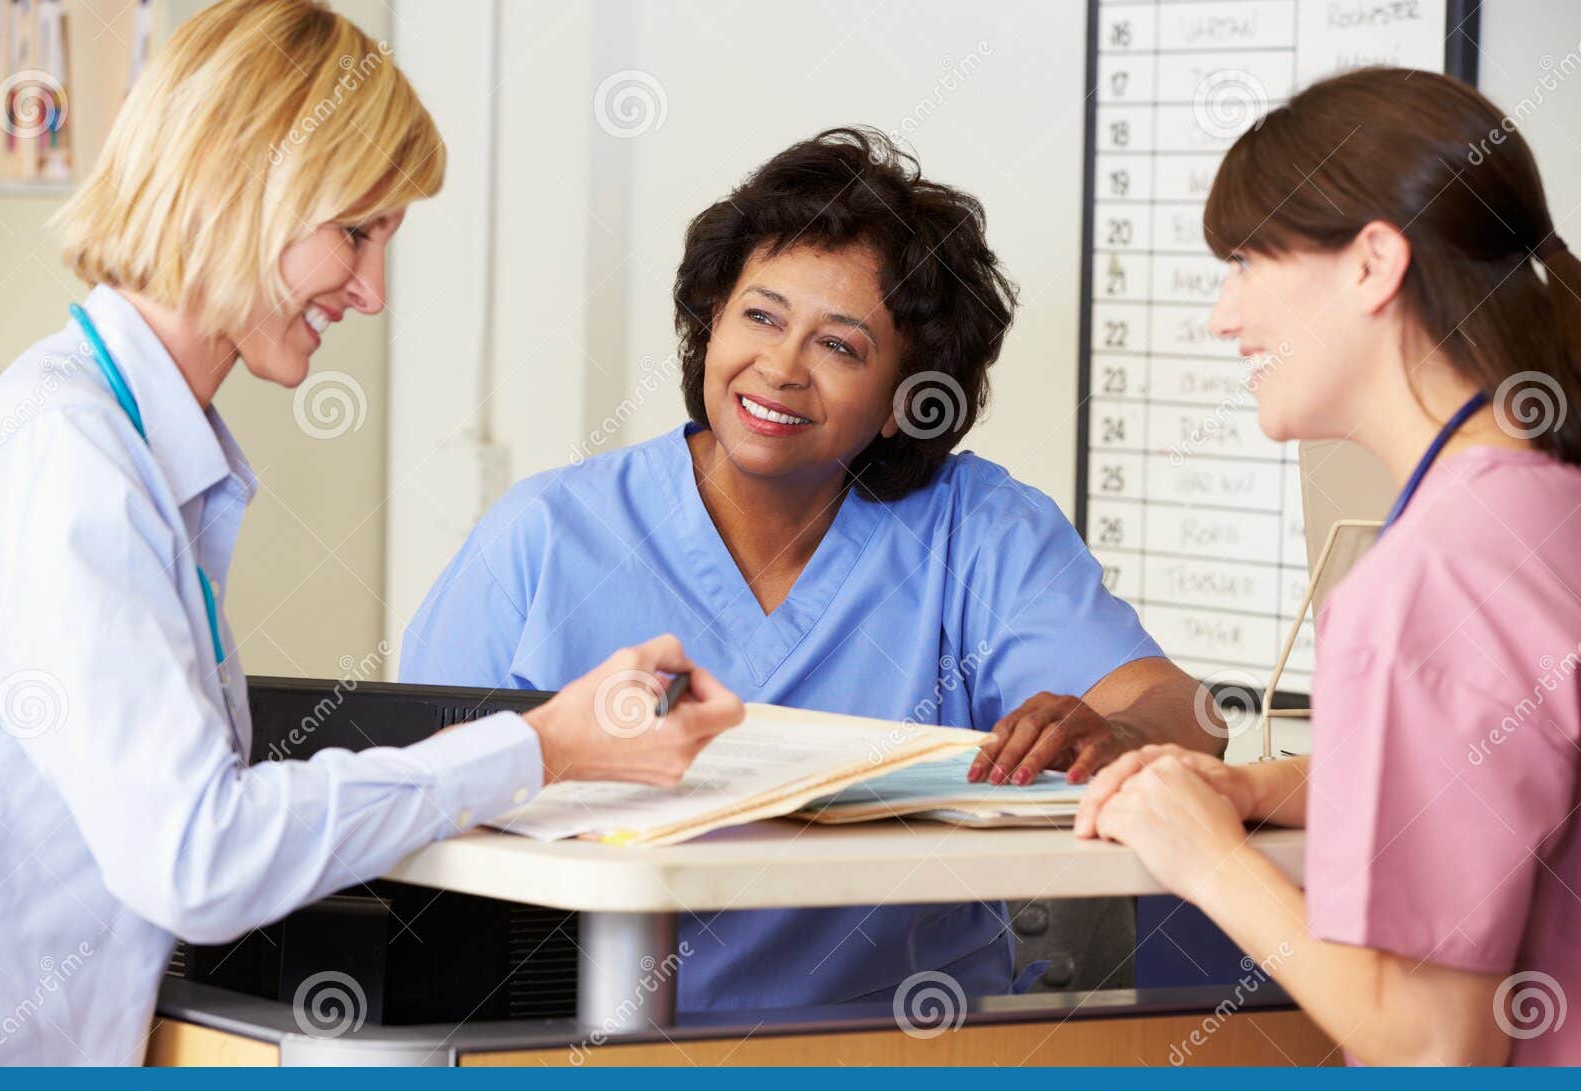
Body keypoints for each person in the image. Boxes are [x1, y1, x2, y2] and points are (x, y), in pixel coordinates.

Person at [0, 0, 742, 1066]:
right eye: (356, 232)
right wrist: (545, 743)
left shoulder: (119, 442)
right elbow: (196, 856)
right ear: (235, 190)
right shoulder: (72, 452)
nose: (375, 292)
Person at [404, 128, 1223, 1015]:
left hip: (912, 1055)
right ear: (711, 320)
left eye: (840, 347)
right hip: (586, 1046)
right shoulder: (547, 533)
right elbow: (415, 794)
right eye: (760, 315)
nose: (780, 368)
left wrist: (1128, 733)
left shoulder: (978, 529)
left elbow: (1191, 714)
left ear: (905, 399)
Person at [1076, 67, 1581, 1065]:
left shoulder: (1429, 579)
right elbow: (1517, 775)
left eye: (1245, 263)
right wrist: (1270, 783)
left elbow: (1435, 1052)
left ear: (1370, 265)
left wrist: (1211, 860)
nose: (1223, 316)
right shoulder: (1540, 511)